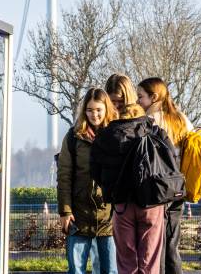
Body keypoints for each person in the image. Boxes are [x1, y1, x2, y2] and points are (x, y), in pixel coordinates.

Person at [90, 89, 165, 274]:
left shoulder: (106, 136)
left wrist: (112, 188)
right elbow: (169, 161)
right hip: (151, 202)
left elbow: (95, 171)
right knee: (149, 260)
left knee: (126, 260)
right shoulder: (153, 131)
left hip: (121, 204)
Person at [58, 89, 119, 274]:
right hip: (79, 216)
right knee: (76, 270)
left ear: (106, 108)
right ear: (84, 110)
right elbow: (64, 176)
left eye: (99, 109)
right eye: (90, 110)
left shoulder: (116, 135)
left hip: (109, 218)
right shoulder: (73, 137)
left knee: (111, 271)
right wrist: (65, 211)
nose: (95, 114)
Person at [137, 78, 192, 274]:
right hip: (178, 188)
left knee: (155, 245)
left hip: (157, 190)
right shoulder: (182, 120)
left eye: (141, 97)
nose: (138, 102)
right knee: (172, 244)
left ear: (154, 97)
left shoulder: (149, 121)